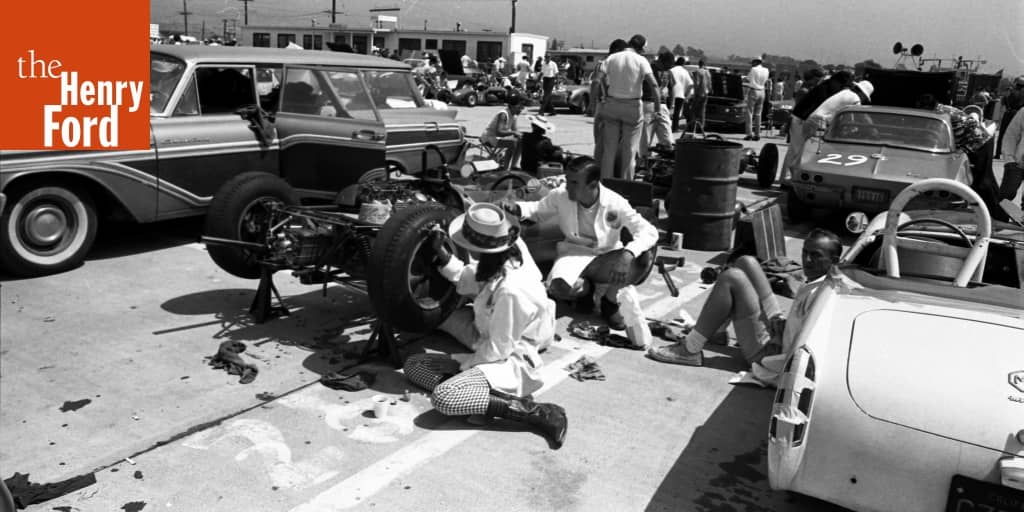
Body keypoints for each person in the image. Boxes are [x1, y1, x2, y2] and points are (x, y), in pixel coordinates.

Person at [403, 202, 567, 449]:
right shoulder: (495, 261)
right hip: (488, 337)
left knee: (443, 398)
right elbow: (468, 276)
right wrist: (442, 255)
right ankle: (476, 395)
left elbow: (498, 349)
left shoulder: (512, 290)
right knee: (413, 365)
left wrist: (466, 367)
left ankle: (535, 412)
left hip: (514, 357)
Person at [648, 229, 843, 382]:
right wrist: (779, 321)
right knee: (746, 262)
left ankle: (690, 350)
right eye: (805, 252)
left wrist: (773, 359)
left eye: (816, 256)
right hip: (779, 335)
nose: (807, 260)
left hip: (771, 355)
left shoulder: (823, 295)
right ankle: (717, 332)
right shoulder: (818, 280)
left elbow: (801, 350)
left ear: (833, 261)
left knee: (731, 278)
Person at [505, 156, 659, 329]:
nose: (567, 186)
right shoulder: (560, 195)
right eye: (568, 180)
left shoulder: (616, 202)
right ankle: (586, 291)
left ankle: (610, 300)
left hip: (605, 257)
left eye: (574, 183)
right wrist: (515, 207)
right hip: (573, 255)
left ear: (592, 185)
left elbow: (649, 231)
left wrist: (628, 253)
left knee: (644, 258)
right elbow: (536, 210)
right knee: (558, 288)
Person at [915, 94, 1003, 220]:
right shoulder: (939, 111)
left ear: (928, 106)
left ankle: (995, 215)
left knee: (982, 181)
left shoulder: (945, 114)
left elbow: (966, 136)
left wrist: (961, 151)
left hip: (980, 142)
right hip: (973, 140)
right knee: (984, 179)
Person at [597, 34, 660, 180]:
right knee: (629, 150)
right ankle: (626, 184)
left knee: (609, 150)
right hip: (632, 106)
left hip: (612, 104)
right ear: (641, 47)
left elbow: (597, 80)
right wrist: (657, 109)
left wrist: (597, 102)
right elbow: (654, 84)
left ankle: (606, 182)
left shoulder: (612, 58)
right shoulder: (641, 60)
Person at [782, 69, 848, 183]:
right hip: (800, 120)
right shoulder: (825, 90)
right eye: (841, 85)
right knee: (796, 151)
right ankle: (787, 179)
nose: (841, 88)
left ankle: (787, 178)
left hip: (801, 119)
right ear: (836, 81)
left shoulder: (826, 87)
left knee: (795, 151)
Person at [592, 39, 628, 164]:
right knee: (611, 143)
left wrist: (591, 105)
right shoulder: (614, 64)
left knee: (600, 141)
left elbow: (595, 82)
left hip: (601, 105)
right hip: (610, 104)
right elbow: (599, 82)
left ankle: (599, 168)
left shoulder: (601, 63)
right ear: (617, 51)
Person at [802, 80, 873, 139]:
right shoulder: (855, 99)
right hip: (819, 124)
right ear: (862, 93)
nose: (864, 100)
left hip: (813, 121)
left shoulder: (846, 92)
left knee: (804, 151)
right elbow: (861, 116)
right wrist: (872, 129)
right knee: (816, 151)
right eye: (865, 98)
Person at [481, 92, 525, 171]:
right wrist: (513, 133)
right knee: (513, 143)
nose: (522, 108)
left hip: (498, 137)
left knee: (521, 141)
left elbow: (515, 131)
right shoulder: (504, 114)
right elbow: (499, 132)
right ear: (513, 106)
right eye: (520, 106)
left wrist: (521, 135)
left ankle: (513, 166)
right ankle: (505, 168)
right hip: (489, 137)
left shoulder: (513, 115)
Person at [999, 107, 1024, 209]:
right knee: (1005, 198)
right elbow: (1011, 135)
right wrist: (1009, 159)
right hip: (1017, 163)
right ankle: (1000, 221)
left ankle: (1021, 220)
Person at [743, 54, 770, 141]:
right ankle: (757, 134)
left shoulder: (753, 69)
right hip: (762, 91)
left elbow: (748, 79)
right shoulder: (766, 70)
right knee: (758, 114)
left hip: (754, 91)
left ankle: (749, 134)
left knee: (749, 113)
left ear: (755, 62)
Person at [997, 76, 1024, 158]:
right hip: (1018, 115)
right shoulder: (1022, 93)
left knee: (1003, 134)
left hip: (1008, 114)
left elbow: (1003, 104)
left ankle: (998, 153)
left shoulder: (1009, 92)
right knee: (1017, 135)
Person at [669, 56, 694, 133]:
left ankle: (665, 127)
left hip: (670, 94)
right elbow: (691, 84)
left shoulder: (671, 70)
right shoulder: (685, 72)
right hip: (680, 95)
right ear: (683, 64)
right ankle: (675, 128)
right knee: (677, 113)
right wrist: (687, 94)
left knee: (667, 112)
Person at [690, 59, 712, 134]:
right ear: (704, 64)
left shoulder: (697, 72)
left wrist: (695, 93)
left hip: (699, 93)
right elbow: (710, 84)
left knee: (694, 110)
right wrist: (710, 91)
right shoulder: (708, 72)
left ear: (698, 64)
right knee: (702, 111)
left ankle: (693, 127)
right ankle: (701, 127)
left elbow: (697, 83)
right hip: (706, 94)